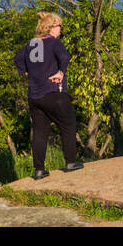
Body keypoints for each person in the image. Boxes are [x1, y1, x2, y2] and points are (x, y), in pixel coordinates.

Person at [14, 12, 81, 178]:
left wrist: (26, 72)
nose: (60, 29)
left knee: (40, 132)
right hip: (53, 92)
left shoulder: (31, 44)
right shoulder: (53, 42)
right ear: (51, 27)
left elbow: (18, 58)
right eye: (59, 26)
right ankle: (70, 162)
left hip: (34, 96)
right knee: (68, 125)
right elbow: (65, 57)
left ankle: (39, 170)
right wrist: (61, 72)